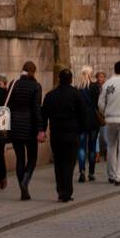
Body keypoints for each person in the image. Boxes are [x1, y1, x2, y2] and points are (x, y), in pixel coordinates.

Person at [42, 69, 88, 202]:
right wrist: (81, 129)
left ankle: (61, 190)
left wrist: (43, 130)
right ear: (71, 79)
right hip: (72, 133)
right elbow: (83, 114)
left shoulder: (50, 95)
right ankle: (67, 191)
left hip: (56, 133)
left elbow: (44, 113)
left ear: (59, 79)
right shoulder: (76, 94)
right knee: (69, 163)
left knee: (58, 163)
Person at [7, 61, 45, 201]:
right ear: (34, 71)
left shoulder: (13, 84)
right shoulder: (36, 86)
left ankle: (22, 187)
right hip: (30, 127)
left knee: (20, 158)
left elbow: (8, 105)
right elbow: (36, 109)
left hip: (15, 126)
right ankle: (25, 181)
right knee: (32, 157)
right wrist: (40, 129)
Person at [77, 67, 101, 184]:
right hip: (93, 121)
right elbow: (98, 104)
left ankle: (82, 171)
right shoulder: (95, 87)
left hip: (81, 122)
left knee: (81, 148)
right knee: (92, 147)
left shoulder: (78, 89)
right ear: (90, 74)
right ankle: (91, 173)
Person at [95, 70, 108, 167]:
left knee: (105, 136)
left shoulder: (108, 88)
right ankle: (97, 154)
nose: (100, 79)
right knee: (96, 136)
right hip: (96, 114)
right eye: (99, 77)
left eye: (102, 77)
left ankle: (107, 152)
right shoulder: (94, 88)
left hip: (105, 115)